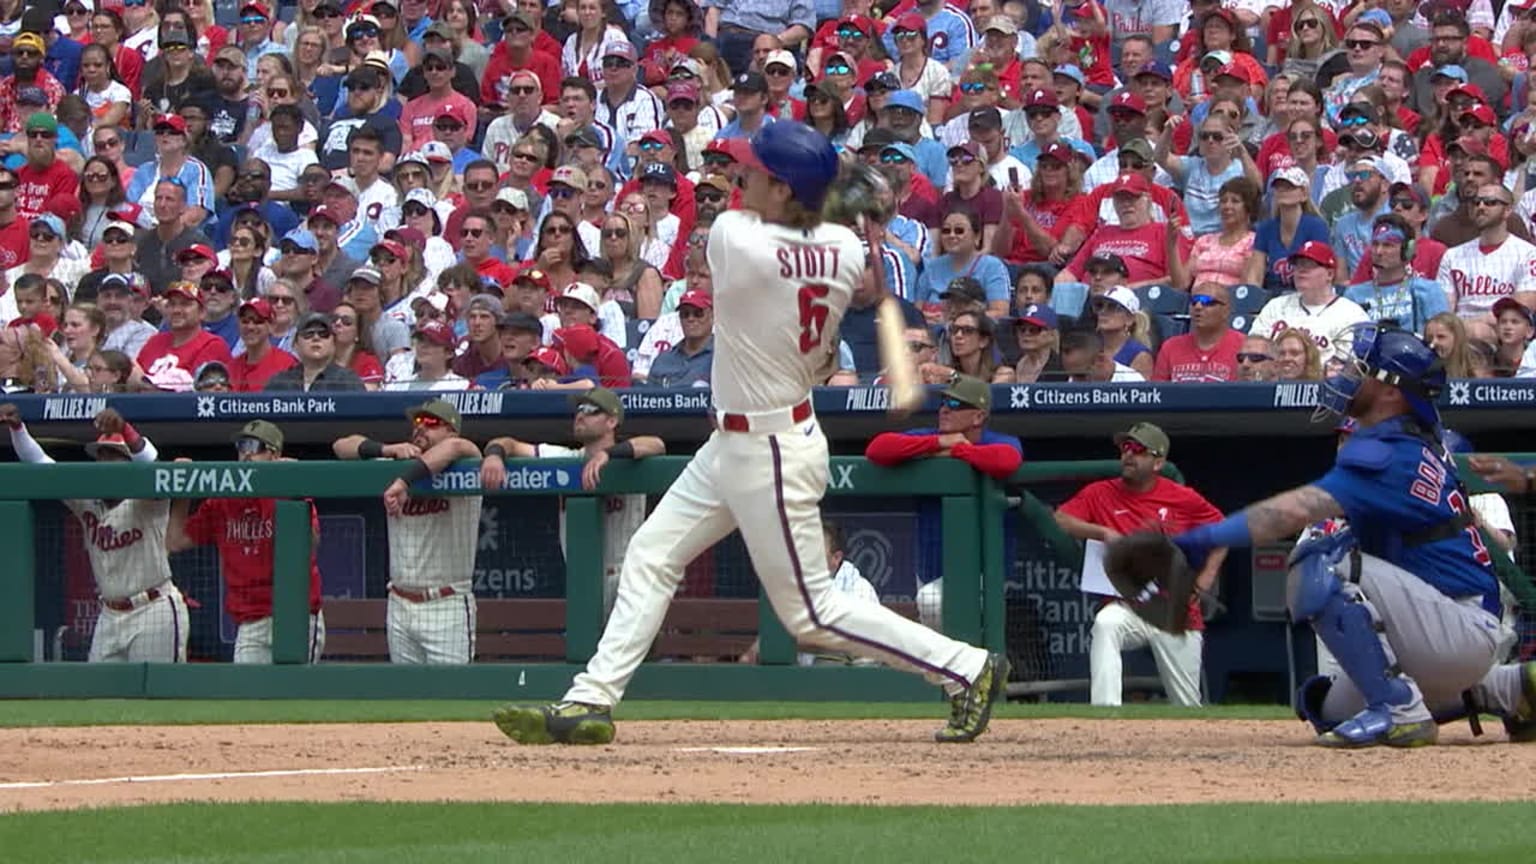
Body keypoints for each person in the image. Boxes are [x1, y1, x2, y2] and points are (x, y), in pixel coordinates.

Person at [492, 122, 1008, 746]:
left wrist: (832, 192)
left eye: (757, 172)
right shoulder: (844, 252)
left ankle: (965, 667)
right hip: (740, 440)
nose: (742, 179)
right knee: (652, 554)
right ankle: (591, 699)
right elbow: (823, 236)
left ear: (784, 188)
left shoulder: (736, 239)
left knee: (811, 615)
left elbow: (776, 226)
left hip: (771, 448)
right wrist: (837, 201)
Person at [1169, 322, 1535, 746]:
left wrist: (1201, 539)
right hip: (1449, 627)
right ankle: (1506, 688)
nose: (1344, 374)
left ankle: (1400, 709)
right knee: (1326, 709)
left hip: (1458, 624)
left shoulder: (1389, 453)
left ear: (1391, 393)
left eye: (1361, 369)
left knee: (1319, 559)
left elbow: (1292, 511)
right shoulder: (1414, 437)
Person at [1055, 423, 1226, 707]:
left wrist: (1206, 578)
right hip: (1128, 605)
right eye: (1125, 448)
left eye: (1138, 450)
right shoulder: (1100, 492)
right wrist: (1102, 532)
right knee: (1106, 624)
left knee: (1187, 706)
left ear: (1158, 462)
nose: (1128, 455)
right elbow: (1062, 518)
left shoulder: (1182, 497)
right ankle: (1106, 714)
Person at [0, 405, 187, 663]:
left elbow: (155, 470)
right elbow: (40, 464)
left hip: (153, 608)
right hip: (109, 614)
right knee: (98, 687)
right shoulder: (87, 501)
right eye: (102, 455)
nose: (105, 462)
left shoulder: (148, 501)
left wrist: (125, 430)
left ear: (130, 463)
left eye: (114, 455)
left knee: (158, 687)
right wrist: (18, 429)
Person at [482, 388, 666, 616]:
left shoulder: (631, 460)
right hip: (582, 578)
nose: (580, 415)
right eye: (578, 409)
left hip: (624, 575)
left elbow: (657, 444)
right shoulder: (565, 458)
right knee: (583, 639)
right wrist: (495, 455)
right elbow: (507, 442)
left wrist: (609, 454)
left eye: (589, 410)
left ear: (611, 421)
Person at [864, 373, 1024, 629]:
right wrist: (938, 442)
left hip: (983, 569)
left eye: (955, 404)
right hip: (930, 566)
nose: (944, 410)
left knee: (935, 606)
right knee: (937, 626)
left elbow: (1008, 460)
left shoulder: (997, 441)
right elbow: (877, 449)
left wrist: (959, 450)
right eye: (943, 403)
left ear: (978, 416)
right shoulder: (929, 435)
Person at [333, 400, 483, 664]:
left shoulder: (466, 462)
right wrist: (388, 449)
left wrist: (404, 482)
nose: (420, 427)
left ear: (451, 430)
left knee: (453, 689)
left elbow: (456, 447)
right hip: (399, 603)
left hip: (446, 603)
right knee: (405, 690)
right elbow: (341, 445)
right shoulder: (397, 463)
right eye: (417, 422)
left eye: (431, 422)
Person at [166, 420, 326, 664]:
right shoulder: (223, 500)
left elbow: (311, 547)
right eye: (242, 447)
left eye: (255, 447)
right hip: (251, 620)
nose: (247, 454)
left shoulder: (289, 490)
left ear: (274, 455)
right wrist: (182, 492)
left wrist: (295, 491)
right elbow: (175, 541)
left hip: (295, 615)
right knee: (247, 687)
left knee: (294, 687)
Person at [1436, 183, 1536, 341]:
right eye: (1476, 202)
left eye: (1490, 202)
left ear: (1507, 210)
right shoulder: (1452, 256)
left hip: (1504, 337)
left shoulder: (1528, 254)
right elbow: (1444, 311)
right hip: (1459, 339)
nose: (1481, 207)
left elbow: (1520, 309)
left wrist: (1467, 326)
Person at [1250, 242, 1370, 367]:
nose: (1301, 270)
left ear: (1330, 274)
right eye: (1298, 265)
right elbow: (1254, 349)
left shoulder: (1352, 315)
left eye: (1310, 265)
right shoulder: (1276, 307)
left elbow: (1351, 367)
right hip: (1274, 376)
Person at [1344, 216, 1451, 334]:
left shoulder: (1429, 290)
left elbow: (1444, 335)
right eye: (1375, 244)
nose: (1379, 251)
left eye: (1388, 245)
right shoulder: (1354, 295)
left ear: (1407, 250)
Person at [135, 281, 234, 391]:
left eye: (185, 304)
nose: (176, 310)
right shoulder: (155, 341)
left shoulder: (213, 345)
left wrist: (141, 383)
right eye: (172, 304)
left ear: (202, 312)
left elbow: (193, 391)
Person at [1154, 284, 1244, 382]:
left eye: (1207, 302)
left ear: (1226, 310)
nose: (1198, 307)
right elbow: (1157, 389)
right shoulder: (1170, 347)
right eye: (1194, 302)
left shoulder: (1243, 346)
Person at [265, 311, 367, 392]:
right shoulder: (279, 383)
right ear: (295, 344)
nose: (316, 338)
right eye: (308, 333)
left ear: (333, 342)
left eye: (323, 334)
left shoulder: (348, 381)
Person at [228, 298, 297, 391]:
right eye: (245, 321)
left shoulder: (287, 365)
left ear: (272, 326)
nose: (250, 327)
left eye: (258, 321)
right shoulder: (231, 367)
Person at [384, 319, 470, 390]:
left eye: (432, 342)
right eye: (421, 340)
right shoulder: (398, 386)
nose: (423, 345)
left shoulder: (461, 387)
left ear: (449, 353)